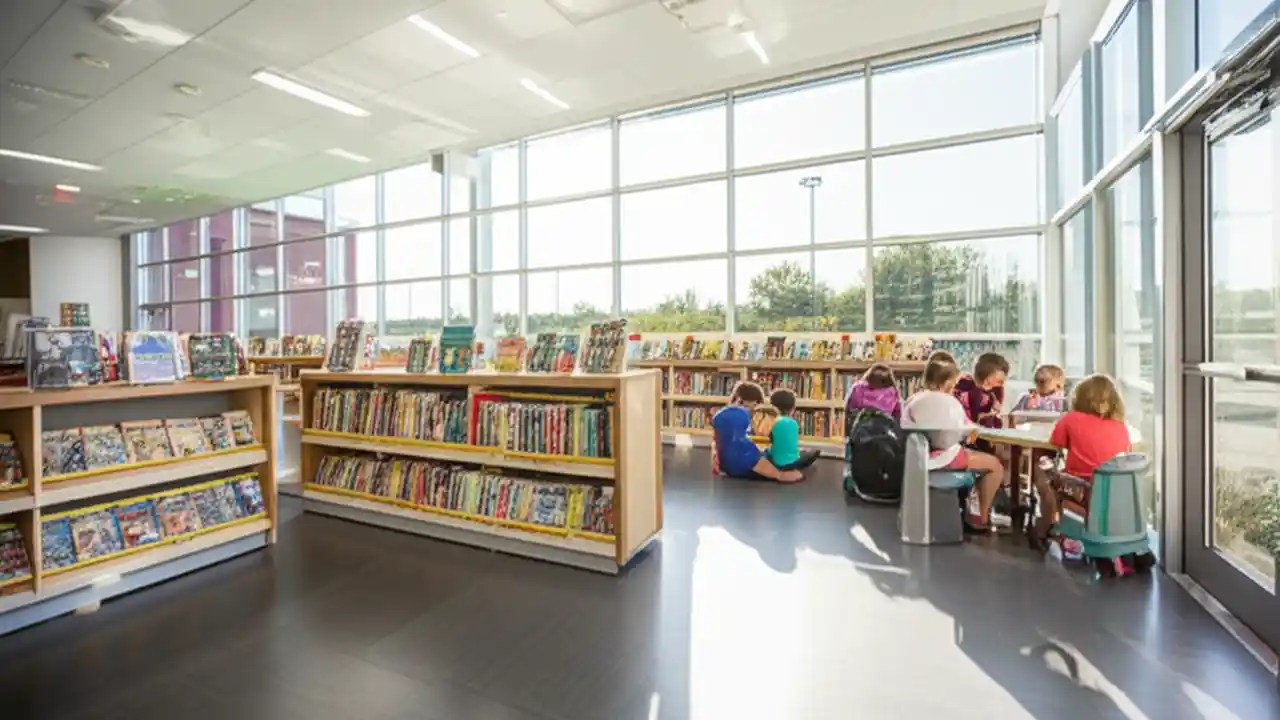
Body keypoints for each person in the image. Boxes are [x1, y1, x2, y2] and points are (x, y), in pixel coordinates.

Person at [902, 354, 1005, 533]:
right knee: (995, 465)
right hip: (945, 456)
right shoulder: (950, 403)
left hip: (917, 457)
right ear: (949, 382)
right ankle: (980, 518)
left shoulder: (913, 400)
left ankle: (971, 507)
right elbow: (958, 431)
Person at [1032, 374, 1131, 547]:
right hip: (1113, 488)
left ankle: (1049, 523)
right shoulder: (1121, 425)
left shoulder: (1071, 418)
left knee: (1042, 471)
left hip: (1081, 486)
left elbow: (1056, 442)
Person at [712, 381, 802, 483]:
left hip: (727, 466)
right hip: (746, 467)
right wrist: (779, 475)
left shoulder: (723, 414)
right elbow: (747, 456)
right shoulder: (741, 415)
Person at [766, 388, 821, 472]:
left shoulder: (772, 422)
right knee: (809, 453)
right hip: (793, 462)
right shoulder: (794, 423)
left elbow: (771, 441)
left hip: (775, 463)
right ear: (793, 408)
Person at [953, 352, 1009, 430]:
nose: (1002, 384)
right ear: (986, 380)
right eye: (999, 381)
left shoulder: (996, 391)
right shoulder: (964, 388)